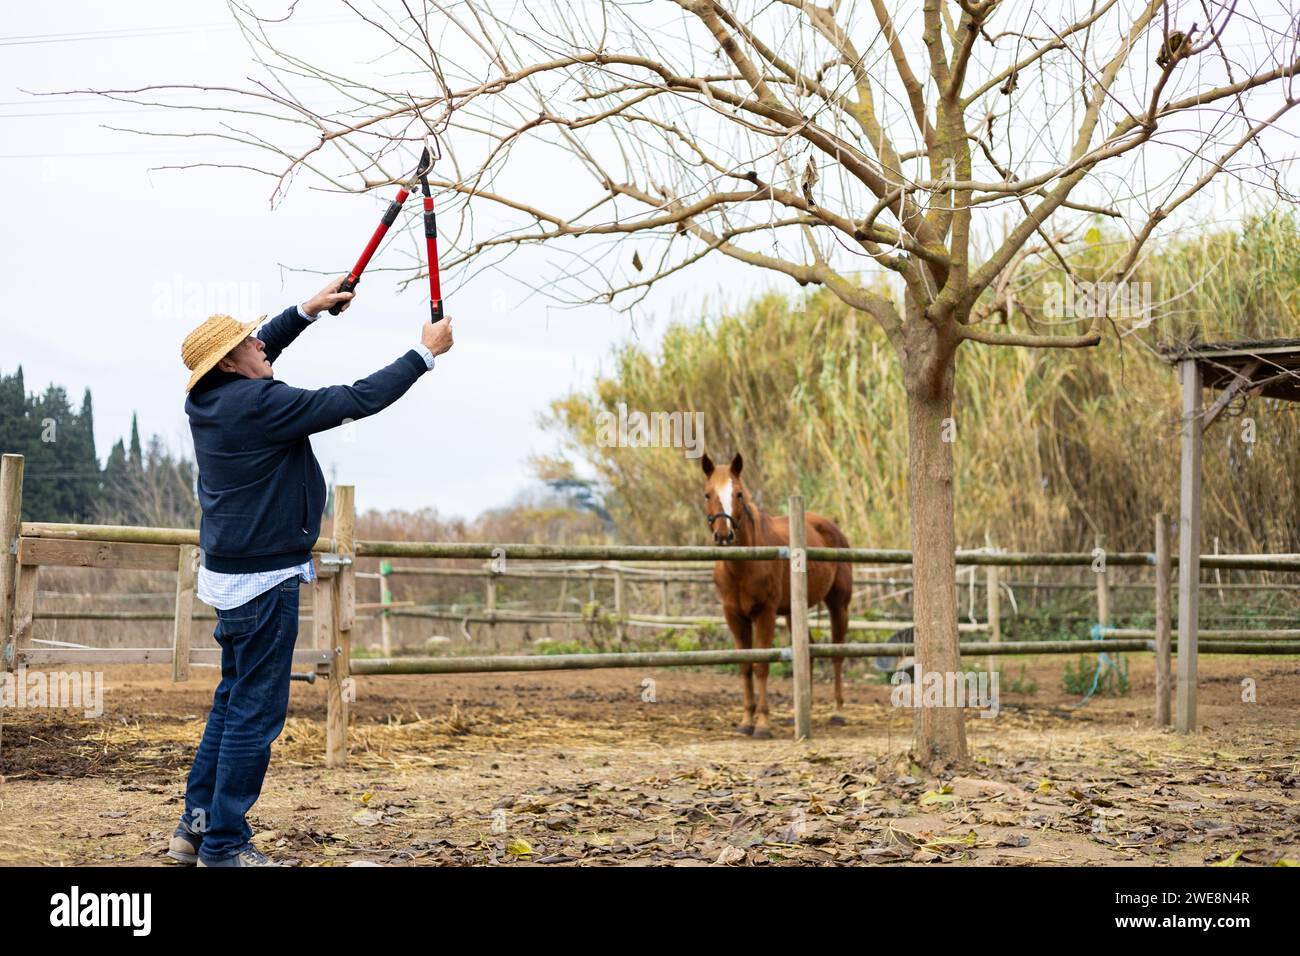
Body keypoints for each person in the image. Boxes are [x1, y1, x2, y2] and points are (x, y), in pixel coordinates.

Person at [169, 278, 453, 866]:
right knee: (255, 713)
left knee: (231, 701)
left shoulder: (206, 401)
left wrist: (308, 311)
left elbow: (260, 352)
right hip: (265, 581)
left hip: (230, 575)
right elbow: (354, 398)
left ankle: (194, 828)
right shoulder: (263, 406)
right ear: (229, 360)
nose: (261, 342)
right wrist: (422, 355)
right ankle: (226, 845)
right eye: (250, 339)